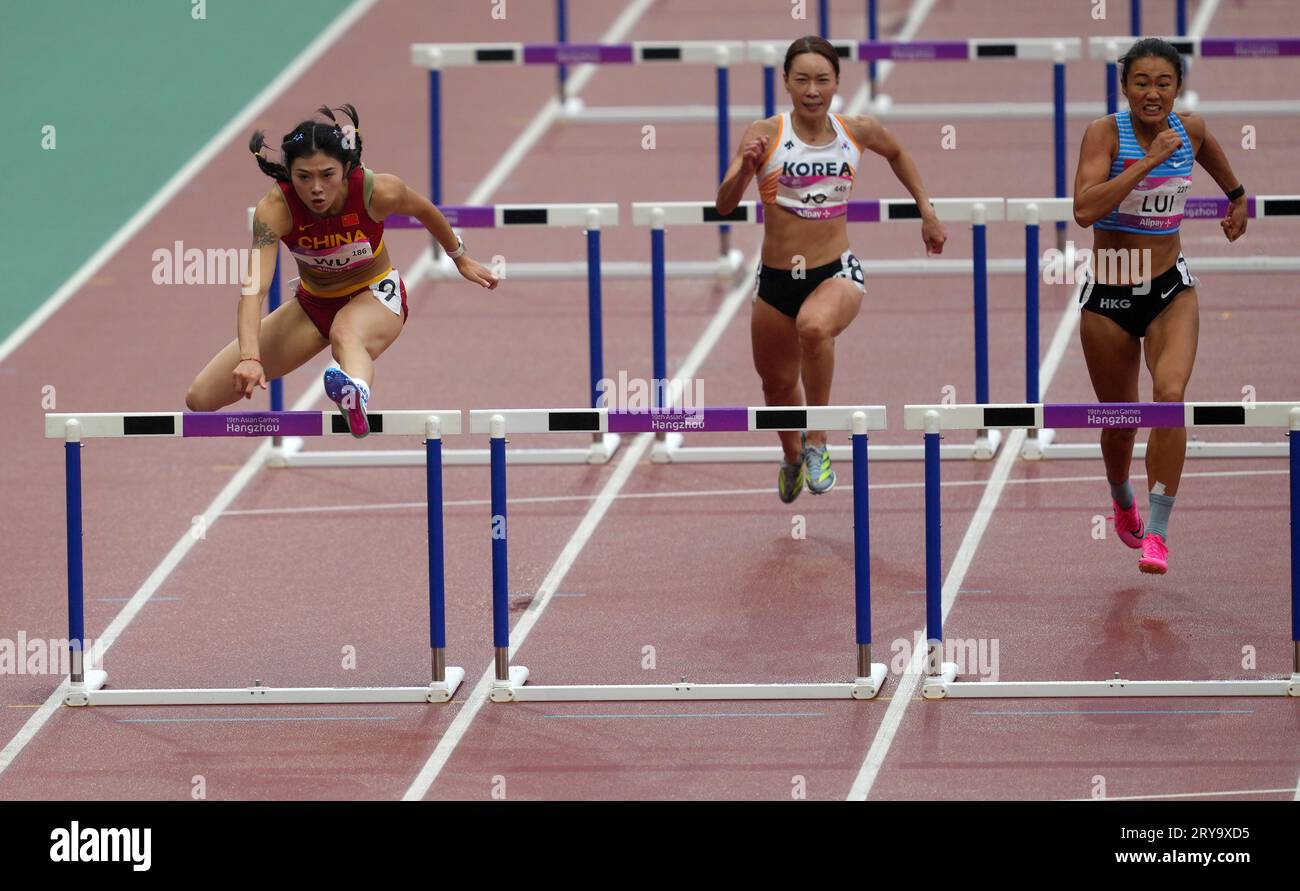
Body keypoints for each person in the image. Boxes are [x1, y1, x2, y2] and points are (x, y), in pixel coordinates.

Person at [716, 36, 947, 502]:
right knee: (777, 385)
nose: (812, 89)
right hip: (777, 280)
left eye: (822, 79)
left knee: (815, 328)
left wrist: (927, 210)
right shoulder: (766, 133)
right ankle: (793, 454)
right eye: (801, 79)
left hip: (835, 272)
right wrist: (747, 167)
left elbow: (898, 153)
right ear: (785, 82)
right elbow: (723, 204)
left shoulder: (856, 130)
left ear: (837, 82)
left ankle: (819, 439)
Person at [185, 104, 498, 436]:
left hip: (375, 295)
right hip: (312, 306)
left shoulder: (377, 191)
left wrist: (459, 256)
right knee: (200, 398)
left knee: (344, 334)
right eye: (304, 177)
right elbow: (254, 289)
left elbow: (424, 209)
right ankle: (350, 386)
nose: (316, 188)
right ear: (289, 174)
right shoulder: (276, 209)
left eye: (327, 175)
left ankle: (355, 394)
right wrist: (250, 357)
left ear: (346, 168)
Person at [1073, 38, 1247, 574]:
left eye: (1163, 83)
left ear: (1177, 87)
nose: (1153, 93)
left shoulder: (1189, 129)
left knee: (1169, 398)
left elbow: (1210, 149)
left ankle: (1160, 531)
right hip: (1109, 295)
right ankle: (1123, 497)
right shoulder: (1104, 133)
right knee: (1121, 421)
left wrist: (1238, 196)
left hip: (1170, 288)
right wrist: (1147, 163)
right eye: (1142, 83)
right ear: (1125, 87)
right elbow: (1084, 209)